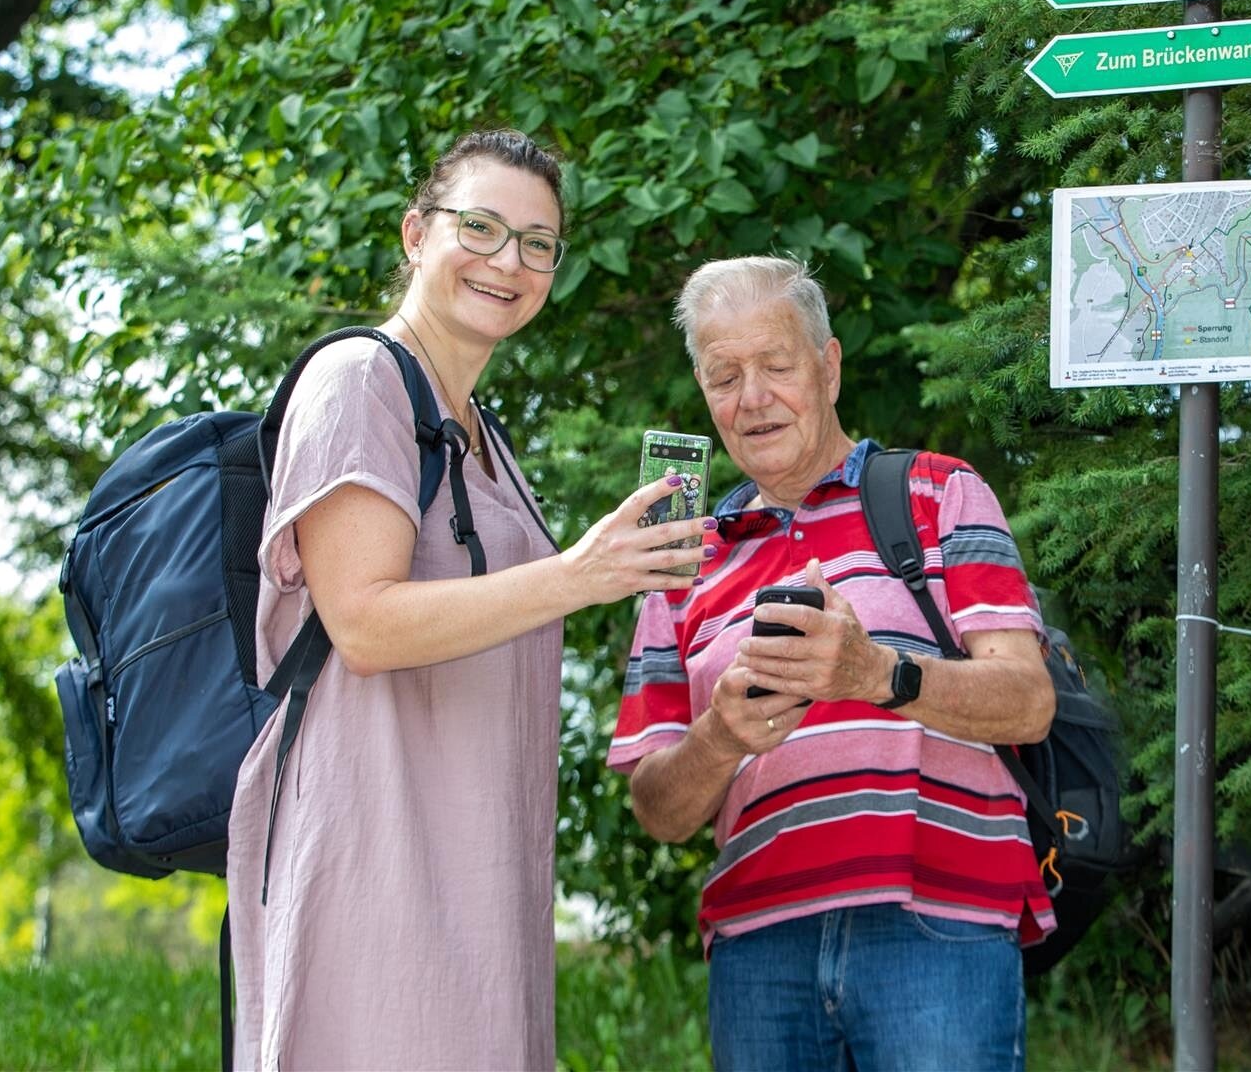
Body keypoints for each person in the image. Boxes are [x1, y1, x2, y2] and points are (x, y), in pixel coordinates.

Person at [224, 129, 716, 1070]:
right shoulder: (360, 379)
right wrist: (583, 573)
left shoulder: (482, 432)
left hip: (482, 869)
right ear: (417, 233)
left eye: (539, 244)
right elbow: (361, 622)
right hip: (380, 850)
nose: (509, 262)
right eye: (480, 227)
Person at [609, 256, 1057, 1072]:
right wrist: (718, 737)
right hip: (758, 946)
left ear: (829, 366)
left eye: (776, 366)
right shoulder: (680, 564)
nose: (751, 398)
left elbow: (1028, 702)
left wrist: (876, 674)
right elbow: (658, 809)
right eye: (724, 376)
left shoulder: (937, 493)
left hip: (938, 919)